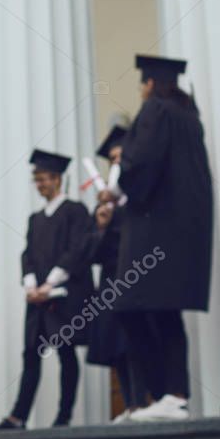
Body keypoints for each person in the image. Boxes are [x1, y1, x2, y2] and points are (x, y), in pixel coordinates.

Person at [100, 54, 213, 422]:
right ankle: (171, 396)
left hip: (153, 229)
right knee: (165, 311)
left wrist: (116, 189)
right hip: (181, 232)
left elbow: (139, 163)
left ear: (149, 84)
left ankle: (167, 394)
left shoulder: (155, 111)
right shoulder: (189, 119)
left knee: (130, 309)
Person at [0, 150, 94, 430]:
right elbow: (28, 255)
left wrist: (52, 283)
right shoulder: (36, 219)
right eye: (36, 180)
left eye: (45, 179)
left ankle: (63, 416)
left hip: (63, 297)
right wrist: (31, 284)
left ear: (58, 179)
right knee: (31, 354)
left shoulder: (75, 211)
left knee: (66, 352)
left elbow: (77, 250)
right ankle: (18, 416)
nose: (40, 185)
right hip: (38, 298)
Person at [84, 125, 150, 423]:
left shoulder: (141, 199)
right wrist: (101, 226)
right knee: (117, 347)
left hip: (138, 280)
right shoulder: (103, 208)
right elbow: (92, 256)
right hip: (110, 284)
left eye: (121, 156)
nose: (116, 163)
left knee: (138, 344)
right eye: (111, 159)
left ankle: (144, 402)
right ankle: (130, 404)